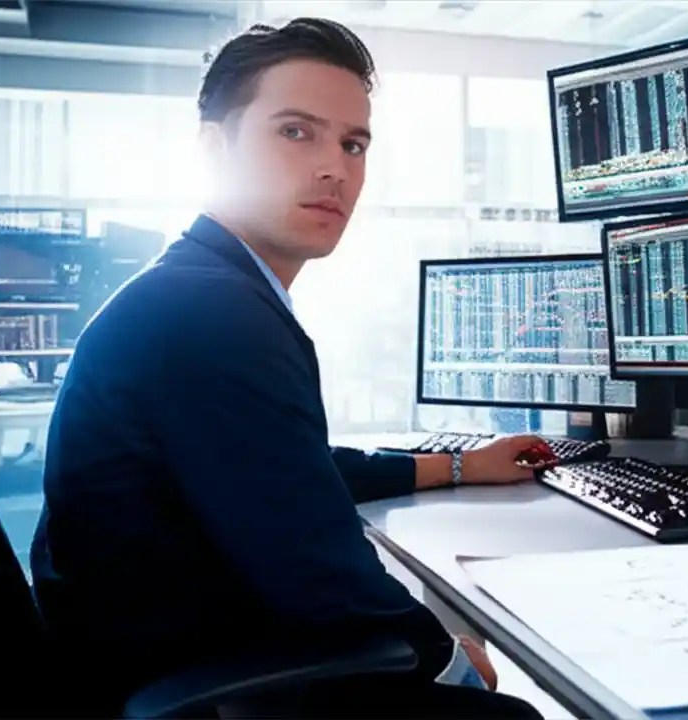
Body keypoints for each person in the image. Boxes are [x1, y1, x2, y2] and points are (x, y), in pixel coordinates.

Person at [29, 18, 550, 718]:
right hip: (193, 680)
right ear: (215, 148)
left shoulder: (201, 287)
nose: (335, 166)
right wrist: (451, 659)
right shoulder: (213, 314)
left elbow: (288, 469)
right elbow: (324, 579)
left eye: (353, 143)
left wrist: (462, 466)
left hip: (154, 654)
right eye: (296, 131)